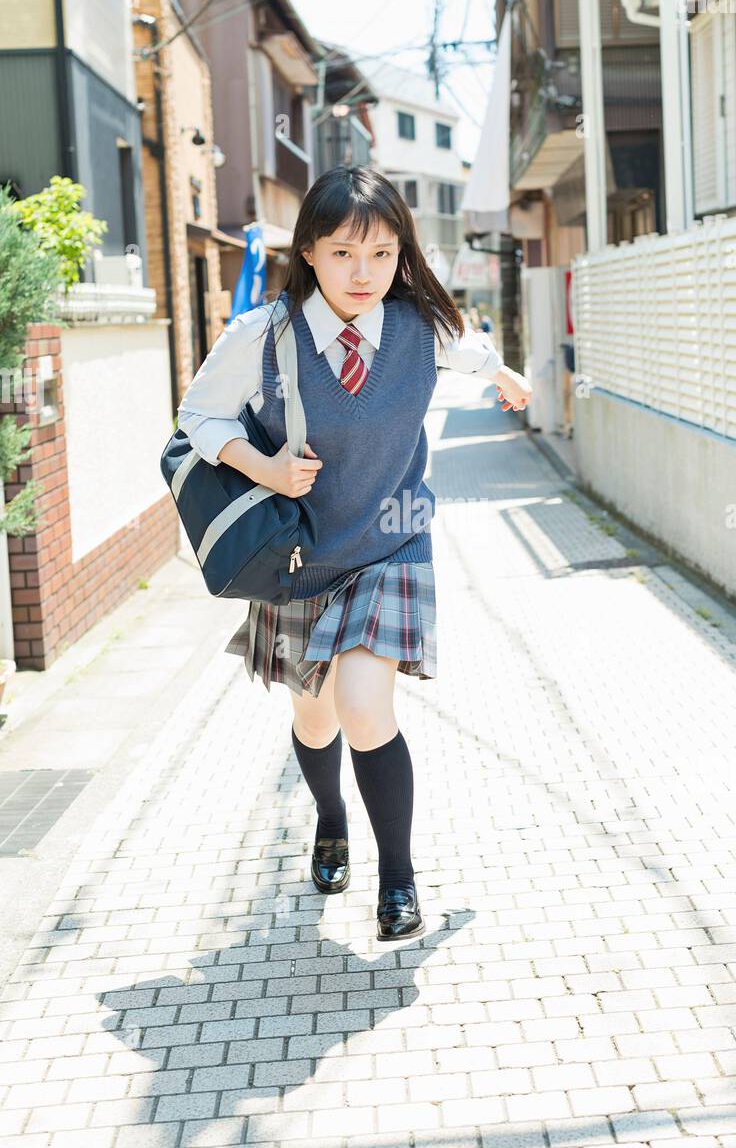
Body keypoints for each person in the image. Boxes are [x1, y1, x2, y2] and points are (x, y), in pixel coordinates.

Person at [176, 166, 533, 942]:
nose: (362, 272)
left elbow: (468, 353)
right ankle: (330, 818)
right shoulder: (261, 337)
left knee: (365, 709)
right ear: (307, 252)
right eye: (343, 253)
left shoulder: (417, 327)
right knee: (314, 715)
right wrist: (263, 468)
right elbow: (197, 415)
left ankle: (398, 883)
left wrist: (503, 373)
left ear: (401, 252)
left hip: (392, 545)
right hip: (299, 557)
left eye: (380, 252)